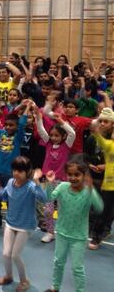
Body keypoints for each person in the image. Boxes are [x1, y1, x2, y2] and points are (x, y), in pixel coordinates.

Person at [44, 161, 104, 292]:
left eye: (77, 174)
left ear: (84, 175)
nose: (73, 178)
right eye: (70, 174)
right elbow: (48, 198)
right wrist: (50, 183)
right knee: (58, 262)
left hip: (79, 237)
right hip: (62, 233)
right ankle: (55, 287)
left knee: (77, 268)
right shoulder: (62, 187)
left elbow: (99, 207)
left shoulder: (88, 191)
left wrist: (92, 189)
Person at [0, 157, 47, 291]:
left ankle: (24, 281)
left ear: (27, 172)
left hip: (25, 225)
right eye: (15, 170)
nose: (16, 173)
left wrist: (37, 181)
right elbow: (5, 196)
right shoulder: (11, 182)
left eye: (20, 171)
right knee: (6, 254)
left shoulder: (31, 186)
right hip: (11, 222)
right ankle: (8, 276)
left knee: (15, 255)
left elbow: (44, 199)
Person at [33, 105, 75, 243]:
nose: (53, 138)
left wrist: (61, 121)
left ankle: (63, 232)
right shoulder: (48, 144)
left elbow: (72, 133)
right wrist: (38, 117)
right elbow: (41, 130)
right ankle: (50, 232)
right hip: (49, 182)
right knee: (48, 210)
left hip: (62, 182)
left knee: (63, 210)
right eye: (51, 135)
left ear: (63, 136)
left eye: (57, 135)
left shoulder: (67, 145)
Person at [0, 108, 29, 231]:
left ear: (17, 126)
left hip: (11, 174)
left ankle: (12, 222)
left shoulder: (18, 137)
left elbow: (22, 123)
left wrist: (26, 108)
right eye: (7, 125)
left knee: (12, 199)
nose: (8, 127)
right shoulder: (0, 133)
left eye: (12, 125)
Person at [88, 107, 114, 249]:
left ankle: (105, 230)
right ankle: (96, 236)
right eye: (101, 121)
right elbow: (96, 134)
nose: (103, 123)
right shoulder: (106, 143)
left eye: (106, 121)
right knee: (103, 210)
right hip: (107, 182)